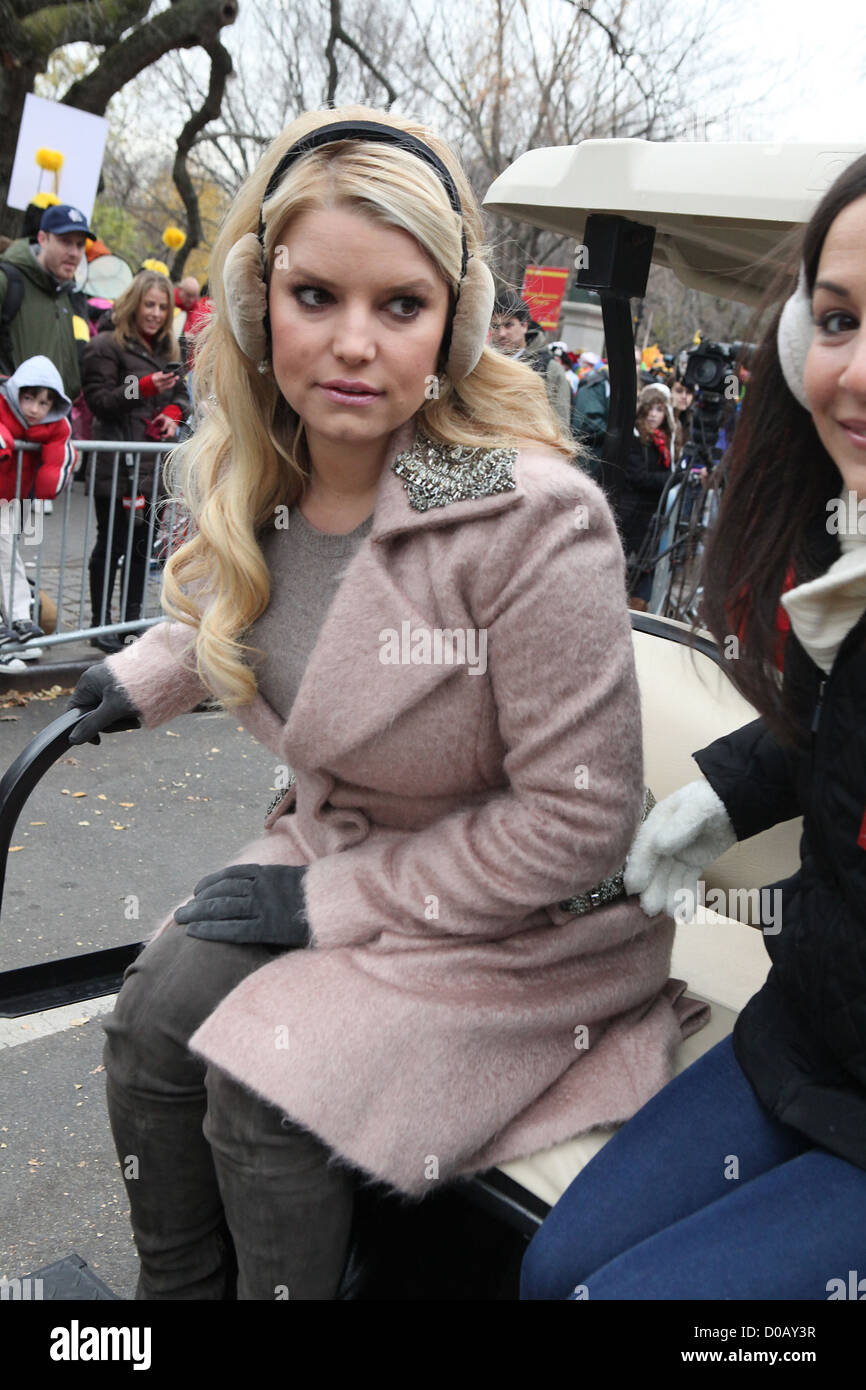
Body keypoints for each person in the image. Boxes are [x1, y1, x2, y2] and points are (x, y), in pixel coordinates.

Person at [67, 103, 707, 1301]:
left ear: (451, 327)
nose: (353, 344)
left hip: (522, 926)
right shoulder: (278, 478)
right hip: (340, 856)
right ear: (261, 306)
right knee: (150, 1023)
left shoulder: (519, 508)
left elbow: (573, 828)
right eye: (317, 297)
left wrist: (322, 900)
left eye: (399, 306)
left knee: (269, 1085)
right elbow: (259, 603)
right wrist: (140, 674)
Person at [521, 150, 866, 1301]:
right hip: (805, 1039)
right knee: (552, 1268)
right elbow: (826, 734)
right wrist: (716, 795)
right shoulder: (846, 568)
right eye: (837, 319)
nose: (856, 373)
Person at [81, 270, 190, 653]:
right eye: (149, 304)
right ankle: (98, 625)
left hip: (151, 469)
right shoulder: (106, 345)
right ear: (134, 304)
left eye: (163, 306)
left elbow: (183, 399)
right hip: (116, 463)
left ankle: (129, 624)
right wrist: (142, 388)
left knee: (141, 546)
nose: (156, 313)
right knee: (111, 544)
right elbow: (100, 399)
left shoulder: (168, 352)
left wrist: (172, 413)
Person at [0, 355, 76, 660]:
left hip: (8, 502)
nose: (34, 409)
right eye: (29, 398)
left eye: (44, 403)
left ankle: (19, 618)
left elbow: (61, 454)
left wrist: (47, 487)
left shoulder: (55, 424)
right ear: (16, 390)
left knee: (8, 556)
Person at [0, 204, 92, 398]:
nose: (74, 253)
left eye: (80, 244)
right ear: (43, 239)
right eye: (65, 242)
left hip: (53, 420)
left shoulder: (68, 294)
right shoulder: (7, 281)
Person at [618, 383, 674, 609]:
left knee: (643, 581)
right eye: (650, 408)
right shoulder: (634, 438)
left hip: (650, 519)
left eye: (659, 409)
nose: (653, 414)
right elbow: (640, 478)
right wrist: (673, 478)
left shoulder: (664, 441)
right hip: (631, 516)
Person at [490, 294, 572, 429]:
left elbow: (560, 426)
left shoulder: (550, 369)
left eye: (508, 325)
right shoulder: (484, 365)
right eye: (495, 326)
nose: (501, 333)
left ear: (524, 326)